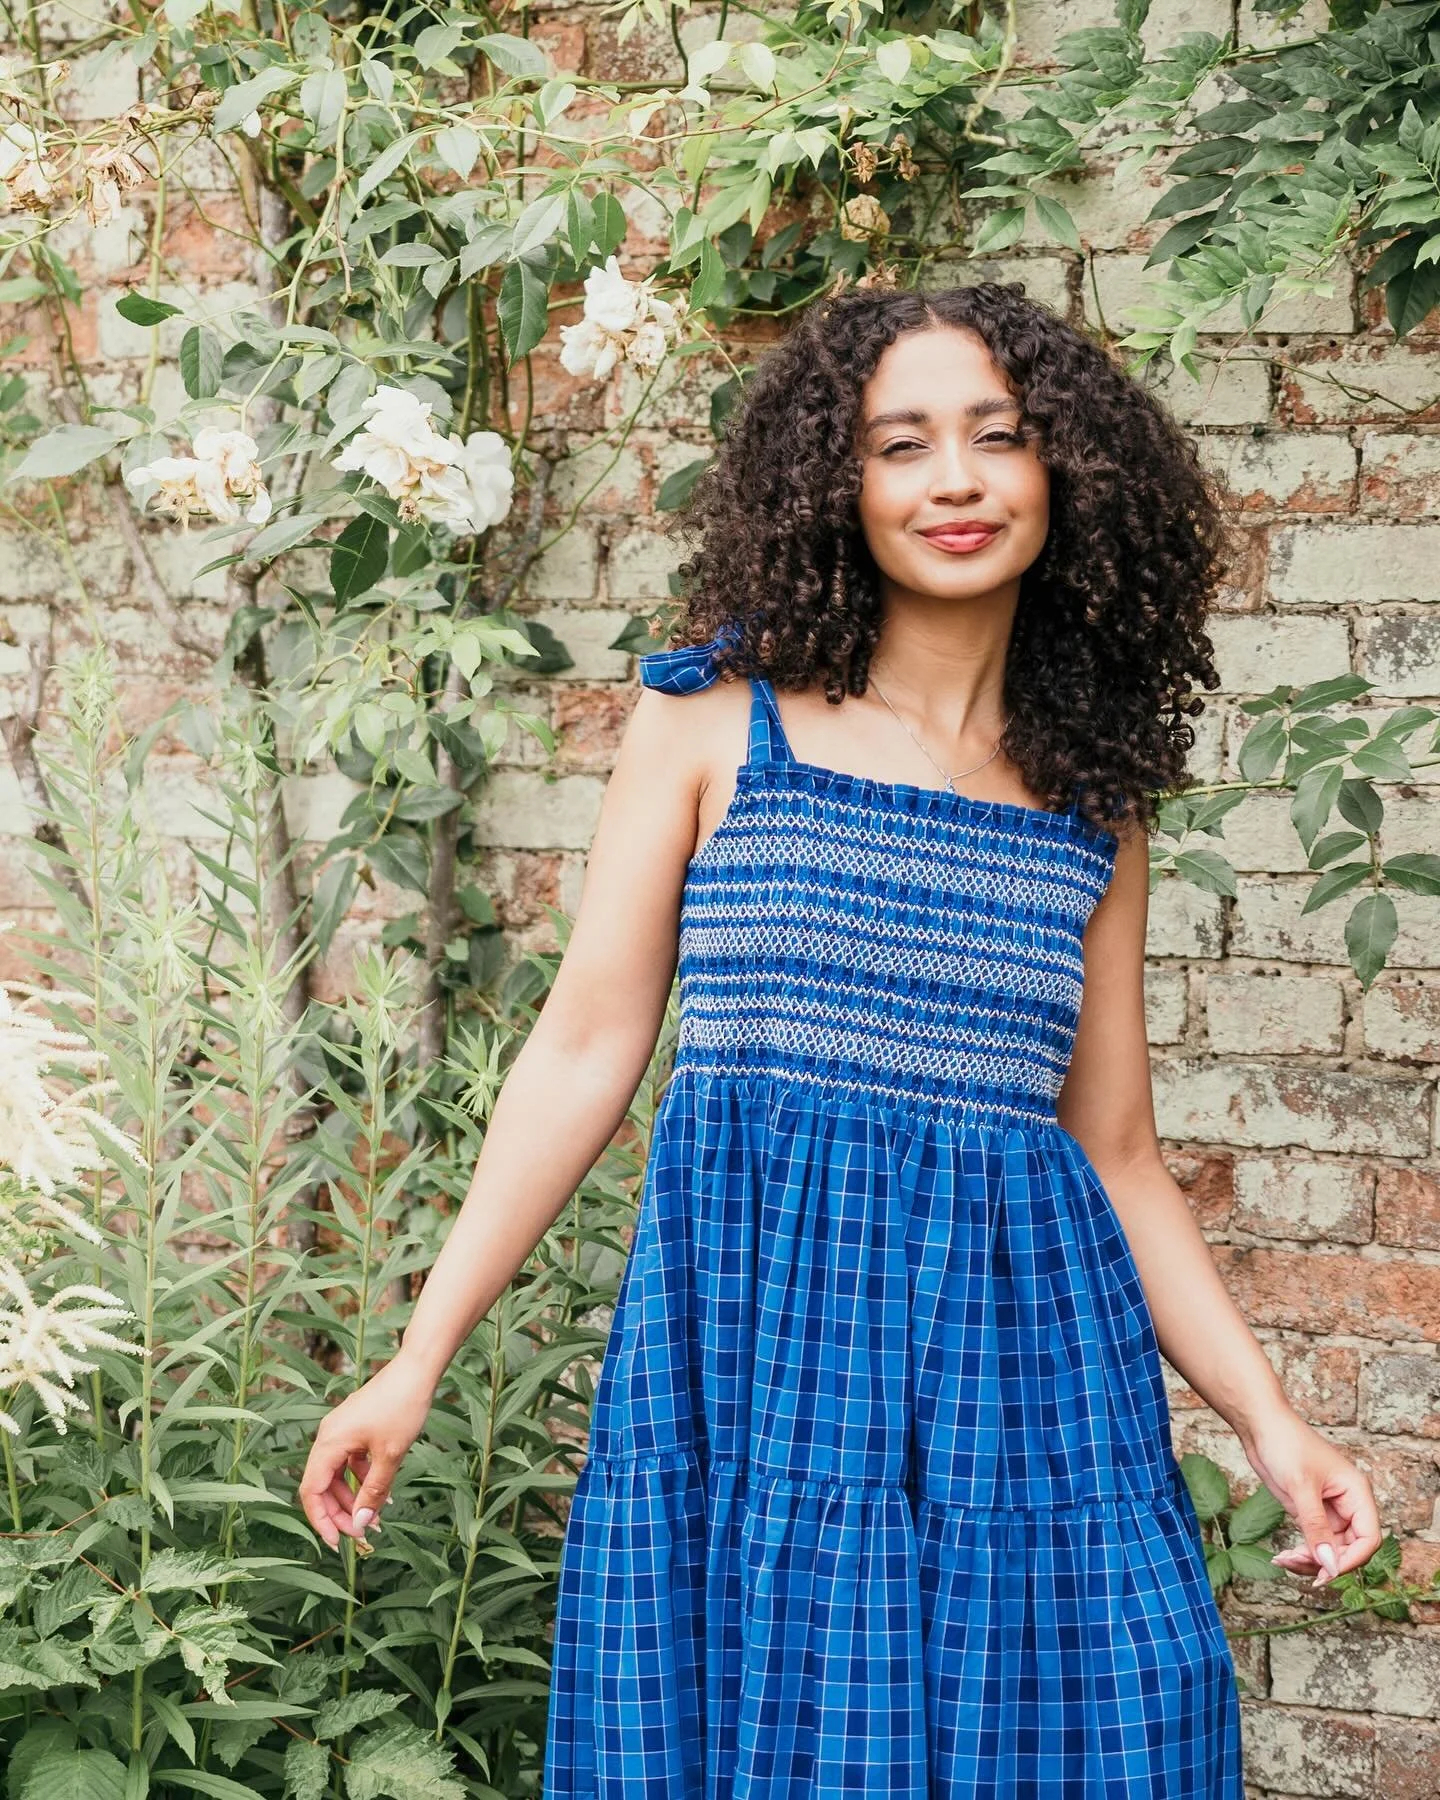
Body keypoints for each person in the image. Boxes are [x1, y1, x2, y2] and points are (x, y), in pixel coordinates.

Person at [299, 279, 1383, 1795]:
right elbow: (583, 1052)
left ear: (1066, 470)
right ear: (836, 485)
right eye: (903, 445)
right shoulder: (711, 727)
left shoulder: (1092, 803)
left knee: (1106, 1724)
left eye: (998, 438)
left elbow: (1119, 1156)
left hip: (1029, 1380)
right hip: (764, 1367)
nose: (956, 481)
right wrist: (418, 1357)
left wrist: (1272, 1425)